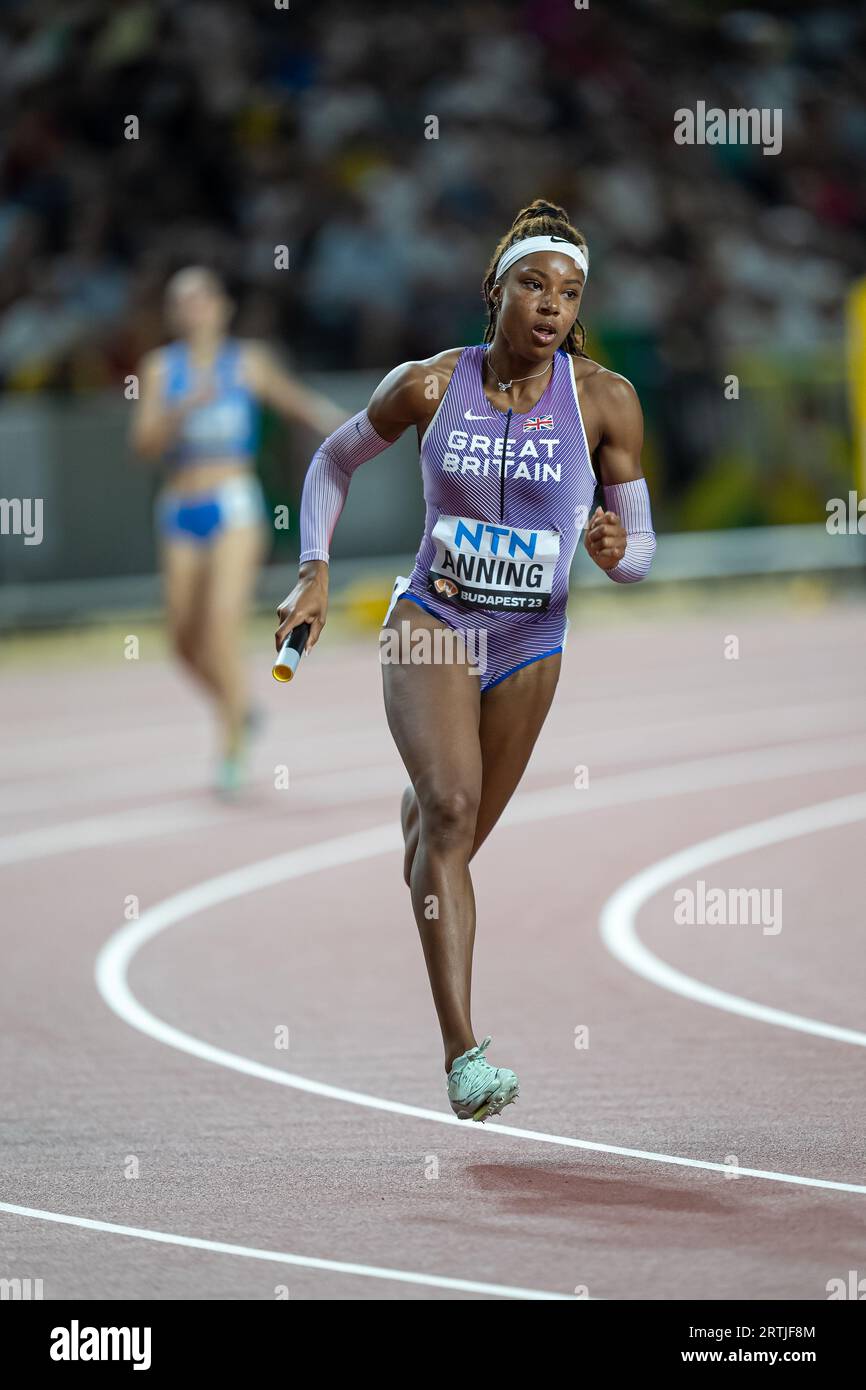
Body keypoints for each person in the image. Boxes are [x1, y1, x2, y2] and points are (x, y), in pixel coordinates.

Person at [276, 200, 656, 1119]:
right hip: (431, 620)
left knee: (450, 841)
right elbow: (332, 461)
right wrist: (313, 573)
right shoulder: (429, 385)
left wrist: (616, 553)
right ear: (496, 292)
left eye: (568, 294)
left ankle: (422, 808)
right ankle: (464, 1058)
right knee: (450, 813)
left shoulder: (605, 400)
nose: (551, 306)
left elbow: (641, 551)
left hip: (534, 641)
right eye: (534, 285)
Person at [132, 266, 346, 794]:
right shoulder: (161, 370)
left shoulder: (246, 362)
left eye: (203, 297)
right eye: (182, 300)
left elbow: (300, 403)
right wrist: (183, 408)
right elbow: (143, 446)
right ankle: (239, 706)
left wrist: (370, 425)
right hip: (181, 503)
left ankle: (230, 746)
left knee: (220, 624)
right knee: (182, 638)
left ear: (222, 306)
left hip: (233, 501)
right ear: (172, 313)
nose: (193, 308)